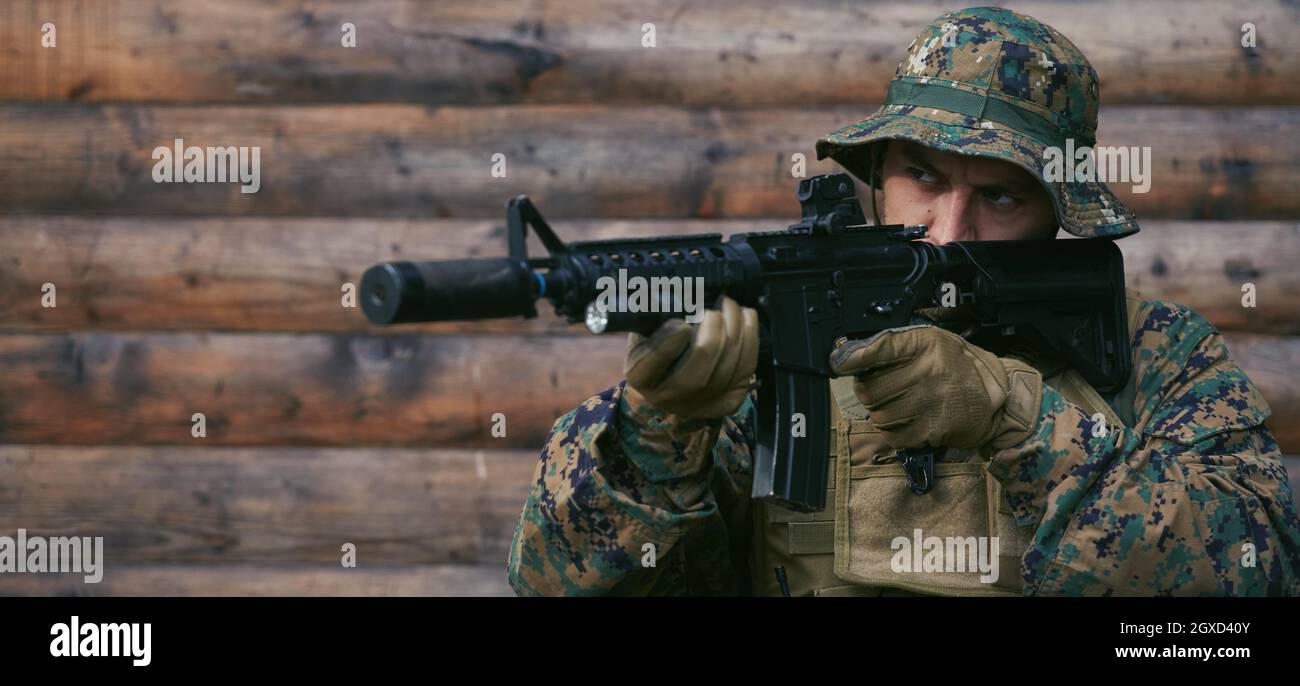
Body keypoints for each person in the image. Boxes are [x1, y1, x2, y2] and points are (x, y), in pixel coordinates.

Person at [506, 6, 1300, 596]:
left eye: (999, 196)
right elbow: (551, 581)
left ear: (1060, 215)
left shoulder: (1157, 355)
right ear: (877, 171)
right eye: (922, 178)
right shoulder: (778, 353)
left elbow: (1255, 578)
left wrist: (1018, 419)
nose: (948, 227)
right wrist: (655, 435)